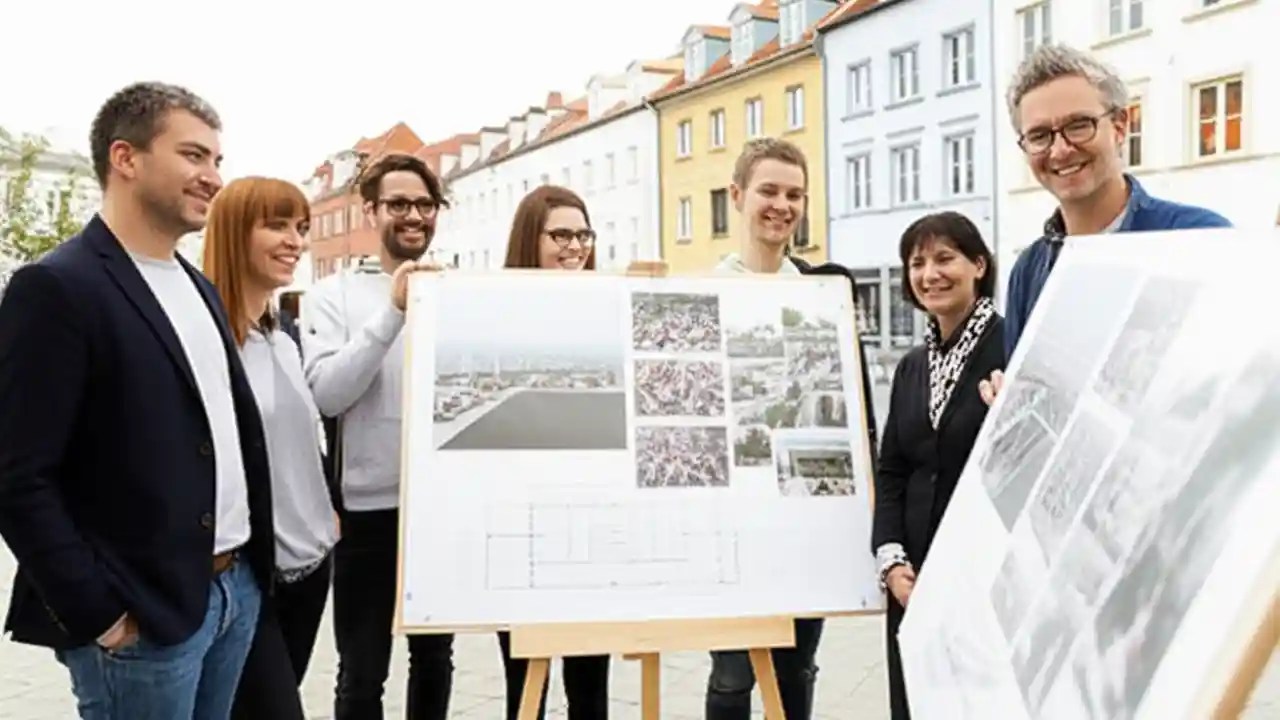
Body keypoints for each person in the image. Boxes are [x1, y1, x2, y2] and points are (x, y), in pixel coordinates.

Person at [0, 82, 274, 718]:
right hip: (142, 617)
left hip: (231, 592)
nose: (212, 177)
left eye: (216, 161)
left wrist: (251, 573)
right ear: (126, 158)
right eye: (193, 156)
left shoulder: (198, 287)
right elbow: (17, 474)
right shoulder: (56, 288)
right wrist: (97, 610)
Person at [705, 137, 878, 720]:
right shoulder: (704, 291)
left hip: (809, 514)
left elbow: (854, 406)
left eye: (795, 194)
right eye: (769, 191)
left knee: (797, 668)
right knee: (731, 674)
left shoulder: (824, 291)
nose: (782, 205)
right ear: (737, 195)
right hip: (730, 518)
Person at [980, 43, 1230, 403]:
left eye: (1078, 126)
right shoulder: (1028, 270)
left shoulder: (1200, 240)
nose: (1060, 149)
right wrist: (1011, 404)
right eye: (1039, 136)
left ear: (1120, 126)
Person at [300, 153, 453, 720]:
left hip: (439, 509)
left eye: (424, 204)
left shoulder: (454, 285)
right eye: (398, 204)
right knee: (362, 672)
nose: (413, 216)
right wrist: (392, 310)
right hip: (366, 512)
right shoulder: (332, 296)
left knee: (435, 660)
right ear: (372, 210)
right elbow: (328, 395)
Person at [202, 177, 340, 719]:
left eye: (301, 228)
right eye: (277, 225)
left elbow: (303, 439)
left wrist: (328, 513)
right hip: (252, 575)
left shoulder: (282, 335)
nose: (296, 241)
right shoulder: (210, 341)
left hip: (312, 566)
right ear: (236, 232)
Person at [872, 212, 1004, 720]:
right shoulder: (911, 366)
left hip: (982, 580)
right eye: (918, 262)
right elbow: (893, 470)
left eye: (945, 258)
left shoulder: (1013, 348)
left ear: (978, 264)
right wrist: (892, 561)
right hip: (914, 578)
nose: (931, 273)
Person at [495, 185, 611, 720]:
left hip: (592, 523)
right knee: (525, 688)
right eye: (561, 234)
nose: (575, 246)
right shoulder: (495, 313)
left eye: (583, 234)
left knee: (591, 684)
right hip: (519, 526)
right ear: (530, 239)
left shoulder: (608, 309)